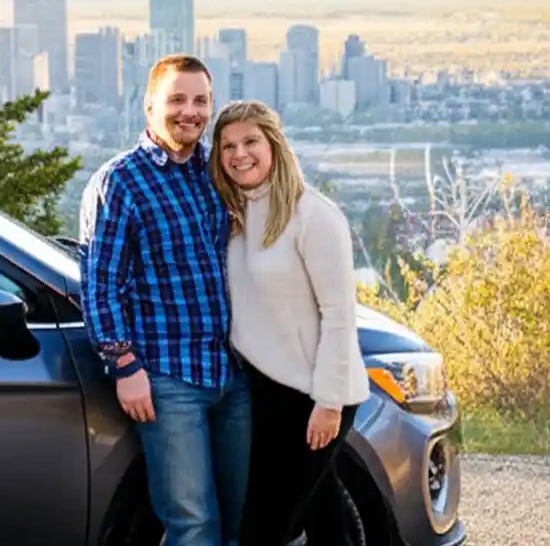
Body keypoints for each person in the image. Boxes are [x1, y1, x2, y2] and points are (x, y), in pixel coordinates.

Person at [80, 54, 251, 546]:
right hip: (168, 379)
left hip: (233, 373)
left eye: (200, 101)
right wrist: (124, 365)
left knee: (243, 519)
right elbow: (100, 282)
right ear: (150, 106)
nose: (190, 111)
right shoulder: (120, 182)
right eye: (177, 99)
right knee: (193, 524)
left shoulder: (216, 174)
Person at [210, 100, 370, 546]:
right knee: (325, 517)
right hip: (264, 391)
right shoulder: (235, 215)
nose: (239, 154)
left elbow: (339, 315)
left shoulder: (314, 216)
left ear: (274, 145)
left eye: (250, 142)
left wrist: (329, 402)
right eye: (227, 146)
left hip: (310, 396)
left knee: (263, 526)